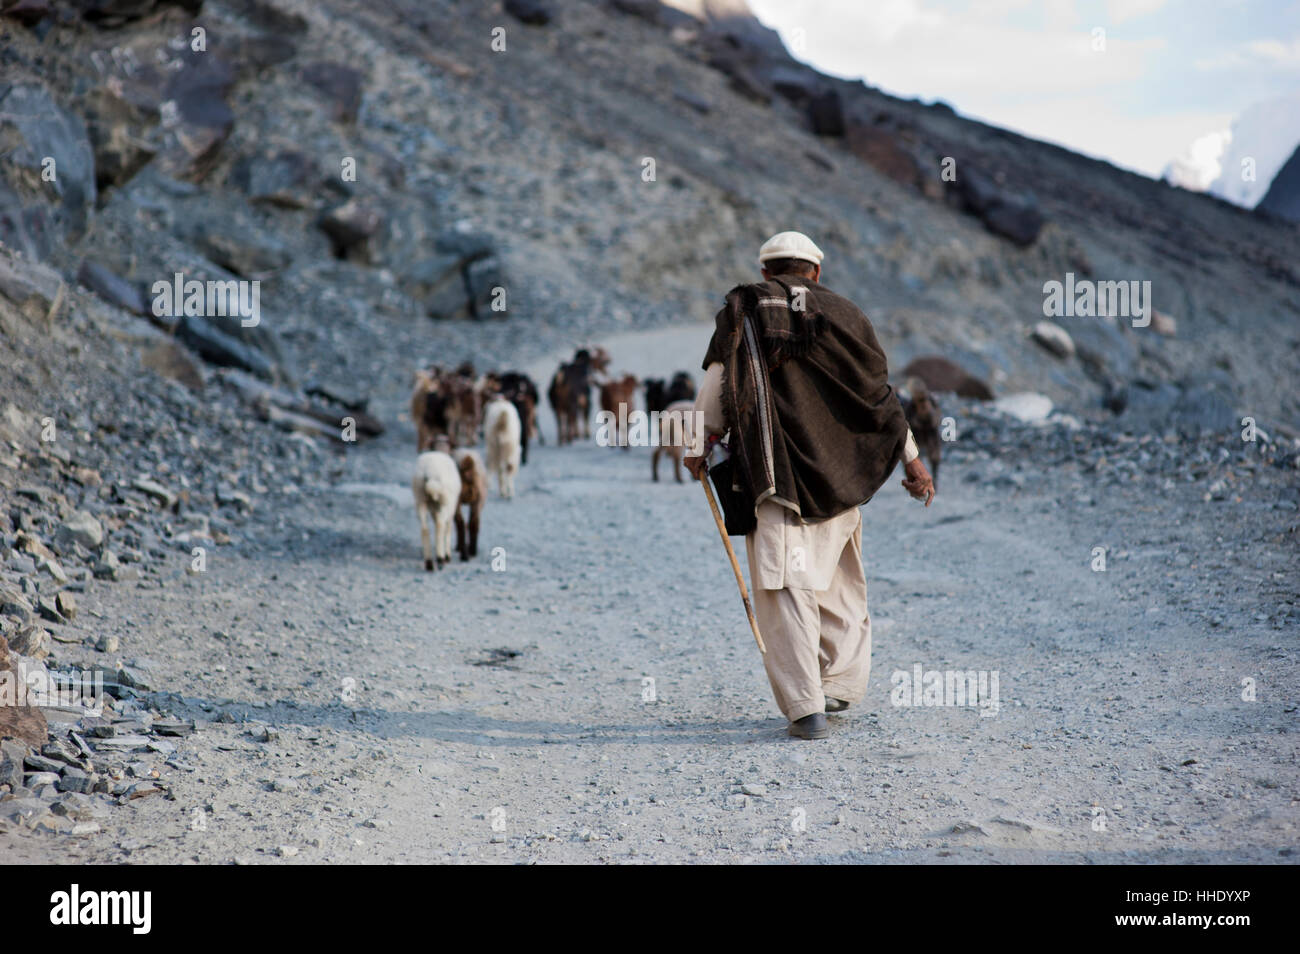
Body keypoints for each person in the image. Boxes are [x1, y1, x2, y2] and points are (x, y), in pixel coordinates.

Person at [685, 231, 935, 740]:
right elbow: (880, 399)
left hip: (779, 478)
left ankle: (807, 709)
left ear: (765, 272)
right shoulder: (849, 315)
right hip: (841, 478)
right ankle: (839, 682)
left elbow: (718, 381)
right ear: (815, 273)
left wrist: (696, 440)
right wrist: (914, 460)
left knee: (786, 587)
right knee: (840, 583)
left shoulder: (747, 309)